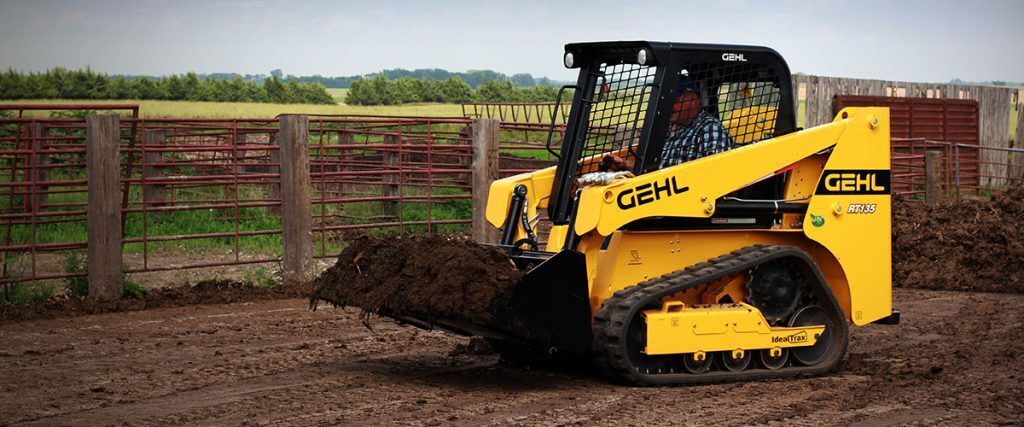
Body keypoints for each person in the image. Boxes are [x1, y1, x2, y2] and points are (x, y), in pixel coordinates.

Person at [658, 84, 734, 169]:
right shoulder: (665, 127)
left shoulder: (709, 128)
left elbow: (718, 169)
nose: (669, 106)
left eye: (675, 101)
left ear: (694, 99)